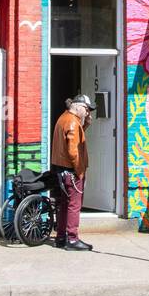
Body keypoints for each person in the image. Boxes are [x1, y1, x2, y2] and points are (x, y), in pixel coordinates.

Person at [50, 94, 95, 251]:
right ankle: (73, 239)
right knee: (74, 205)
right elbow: (72, 150)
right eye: (87, 109)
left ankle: (61, 237)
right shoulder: (72, 122)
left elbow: (74, 138)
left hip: (61, 170)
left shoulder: (65, 118)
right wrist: (80, 171)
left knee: (64, 204)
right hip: (71, 171)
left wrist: (86, 125)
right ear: (78, 106)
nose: (88, 113)